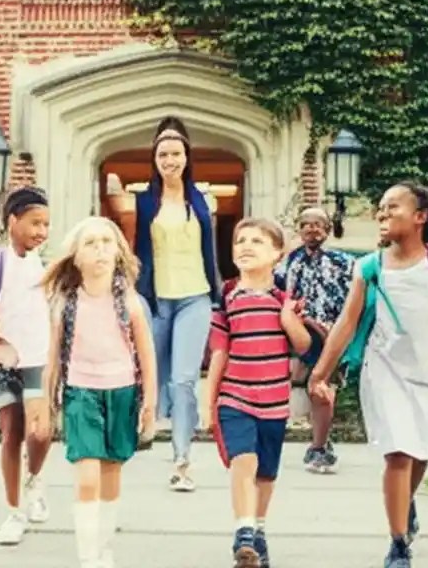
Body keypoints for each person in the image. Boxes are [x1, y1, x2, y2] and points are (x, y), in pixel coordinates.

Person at [309, 182, 428, 568]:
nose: (382, 213)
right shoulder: (370, 267)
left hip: (427, 371)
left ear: (420, 217)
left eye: (392, 207)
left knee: (421, 452)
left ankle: (405, 502)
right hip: (384, 371)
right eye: (380, 207)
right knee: (399, 452)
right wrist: (319, 376)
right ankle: (398, 545)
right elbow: (345, 325)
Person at [43, 216, 158, 568]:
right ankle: (88, 557)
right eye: (91, 243)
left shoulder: (131, 302)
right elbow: (52, 358)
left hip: (121, 392)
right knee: (87, 474)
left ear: (118, 253)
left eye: (107, 242)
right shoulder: (66, 303)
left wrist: (150, 402)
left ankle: (104, 546)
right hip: (81, 392)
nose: (100, 250)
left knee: (111, 471)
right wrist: (47, 404)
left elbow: (147, 354)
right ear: (75, 257)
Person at [206, 218, 312, 568]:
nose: (246, 246)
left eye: (257, 241)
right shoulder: (227, 298)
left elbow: (304, 345)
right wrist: (210, 401)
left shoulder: (284, 300)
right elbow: (220, 352)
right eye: (240, 240)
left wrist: (288, 318)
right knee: (243, 461)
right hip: (235, 397)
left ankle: (259, 530)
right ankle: (244, 531)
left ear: (277, 254)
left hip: (274, 402)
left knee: (266, 472)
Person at [134, 116, 221, 492]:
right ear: (154, 158)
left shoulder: (203, 200)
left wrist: (219, 294)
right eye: (163, 154)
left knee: (184, 380)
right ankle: (141, 431)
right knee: (150, 376)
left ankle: (182, 460)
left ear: (187, 157)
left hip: (194, 296)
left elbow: (211, 251)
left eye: (176, 153)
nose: (170, 160)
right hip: (155, 300)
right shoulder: (142, 201)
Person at [0, 186, 54, 546]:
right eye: (35, 223)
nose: (42, 231)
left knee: (41, 433)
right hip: (2, 364)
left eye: (46, 224)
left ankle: (35, 477)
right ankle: (14, 512)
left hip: (38, 359)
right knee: (11, 433)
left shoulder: (44, 262)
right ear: (13, 221)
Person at [274, 207, 354, 474]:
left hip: (332, 333)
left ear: (327, 229)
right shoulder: (289, 263)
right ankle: (317, 443)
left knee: (321, 389)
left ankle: (319, 445)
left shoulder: (344, 261)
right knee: (307, 387)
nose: (312, 229)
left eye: (318, 224)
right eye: (306, 224)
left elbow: (357, 298)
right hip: (300, 332)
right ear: (299, 229)